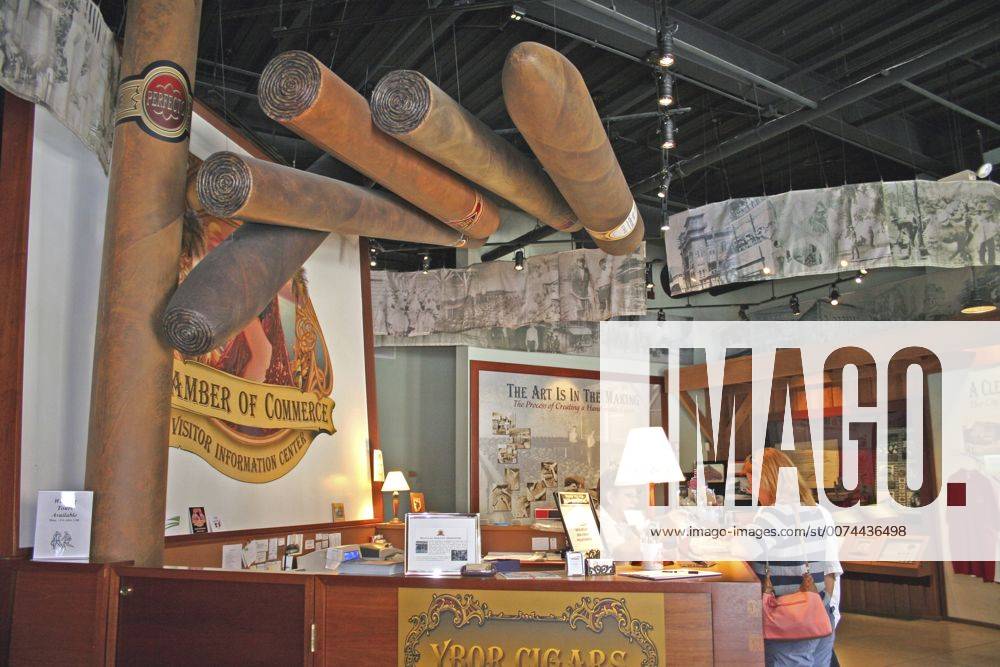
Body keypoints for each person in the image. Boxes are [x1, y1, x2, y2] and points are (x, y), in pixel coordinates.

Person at [742, 448, 842, 667]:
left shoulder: (774, 514)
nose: (751, 490)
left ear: (769, 481)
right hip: (819, 611)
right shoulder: (814, 512)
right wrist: (824, 607)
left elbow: (743, 548)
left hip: (790, 616)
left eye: (753, 483)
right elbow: (830, 569)